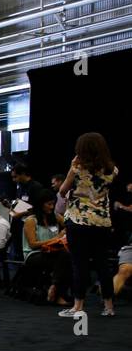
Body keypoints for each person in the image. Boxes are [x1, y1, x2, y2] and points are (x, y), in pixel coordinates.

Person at [57, 132, 118, 318]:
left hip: (78, 221)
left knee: (79, 264)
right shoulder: (113, 170)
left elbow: (62, 190)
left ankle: (78, 306)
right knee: (103, 265)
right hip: (102, 222)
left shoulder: (77, 168)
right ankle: (108, 307)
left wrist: (71, 168)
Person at [19, 191, 70, 306]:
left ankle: (55, 287)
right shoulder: (31, 221)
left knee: (68, 257)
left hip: (54, 252)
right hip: (34, 254)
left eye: (53, 204)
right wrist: (57, 238)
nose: (52, 207)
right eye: (49, 204)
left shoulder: (56, 217)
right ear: (40, 204)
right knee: (64, 258)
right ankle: (58, 293)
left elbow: (70, 225)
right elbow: (33, 244)